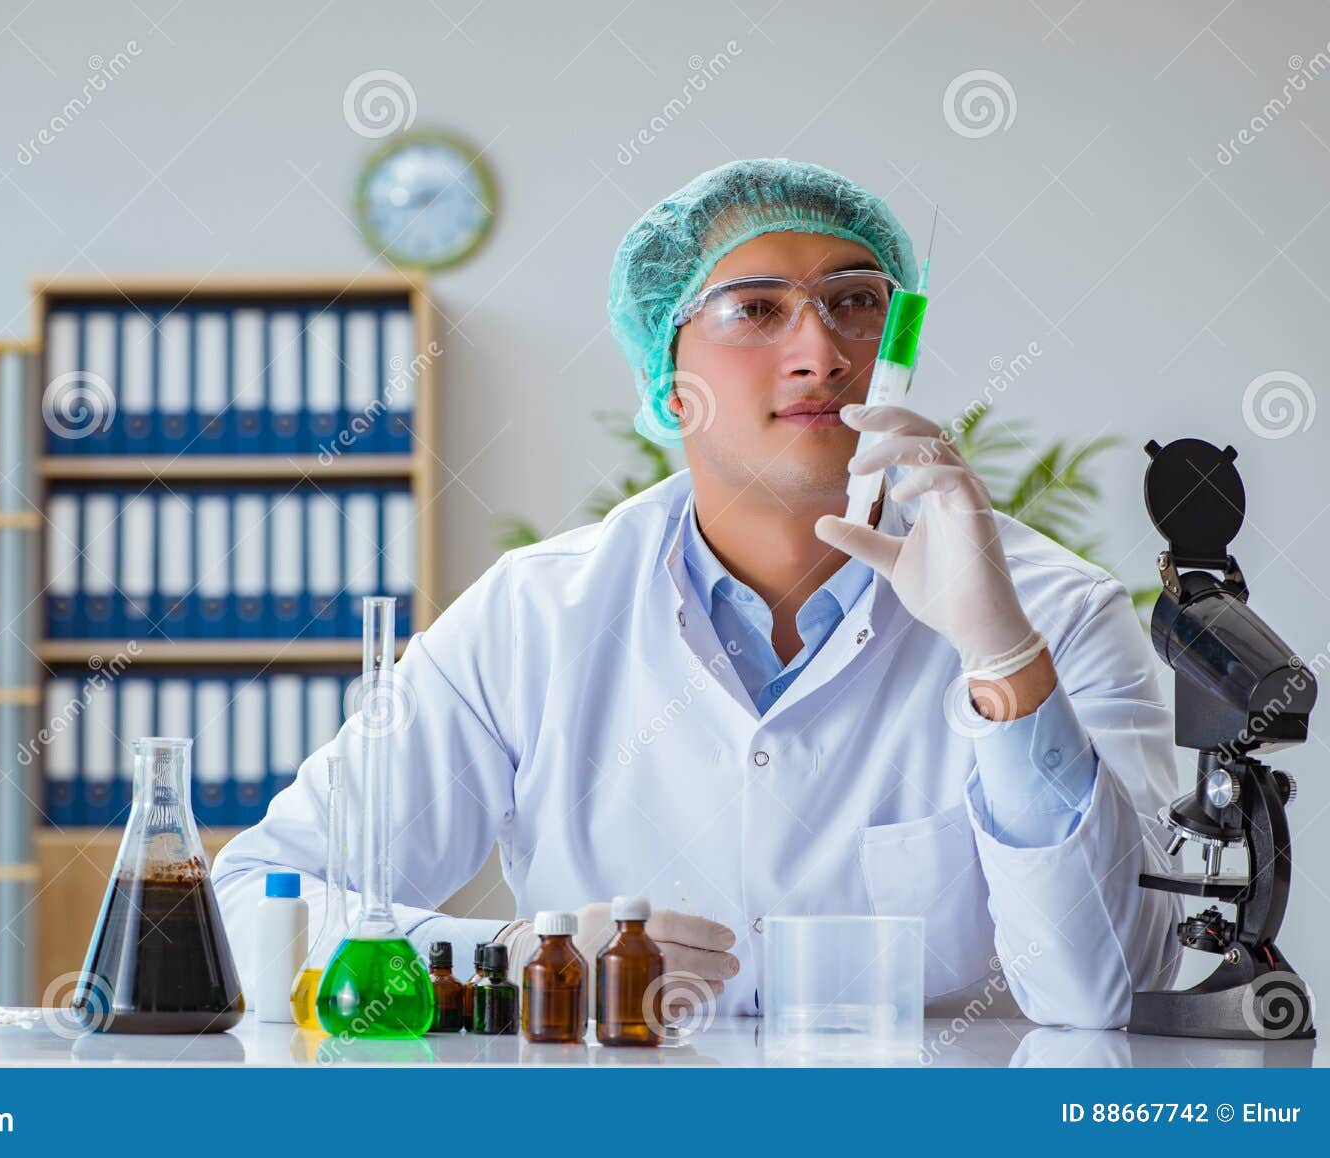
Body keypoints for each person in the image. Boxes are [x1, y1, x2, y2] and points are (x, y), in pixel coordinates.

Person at [214, 158, 1181, 1028]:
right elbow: (259, 896)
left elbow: (1108, 992)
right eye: (756, 309)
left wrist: (1005, 666)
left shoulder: (1053, 612)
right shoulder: (536, 615)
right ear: (669, 382)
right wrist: (516, 957)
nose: (822, 351)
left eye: (855, 302)